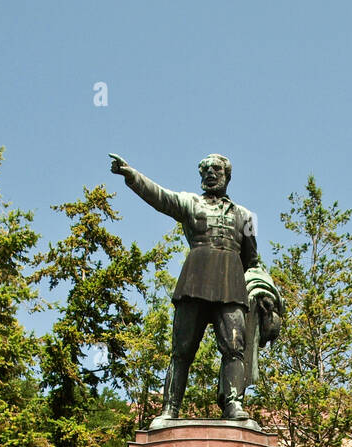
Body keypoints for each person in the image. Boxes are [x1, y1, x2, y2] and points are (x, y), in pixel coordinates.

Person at [109, 152, 261, 425]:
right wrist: (132, 176)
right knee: (181, 351)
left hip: (231, 288)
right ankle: (170, 408)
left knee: (234, 349)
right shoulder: (190, 203)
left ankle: (233, 404)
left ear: (227, 176)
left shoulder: (246, 217)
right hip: (195, 283)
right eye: (205, 170)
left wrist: (265, 288)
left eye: (216, 169)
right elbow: (160, 197)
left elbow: (252, 262)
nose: (211, 174)